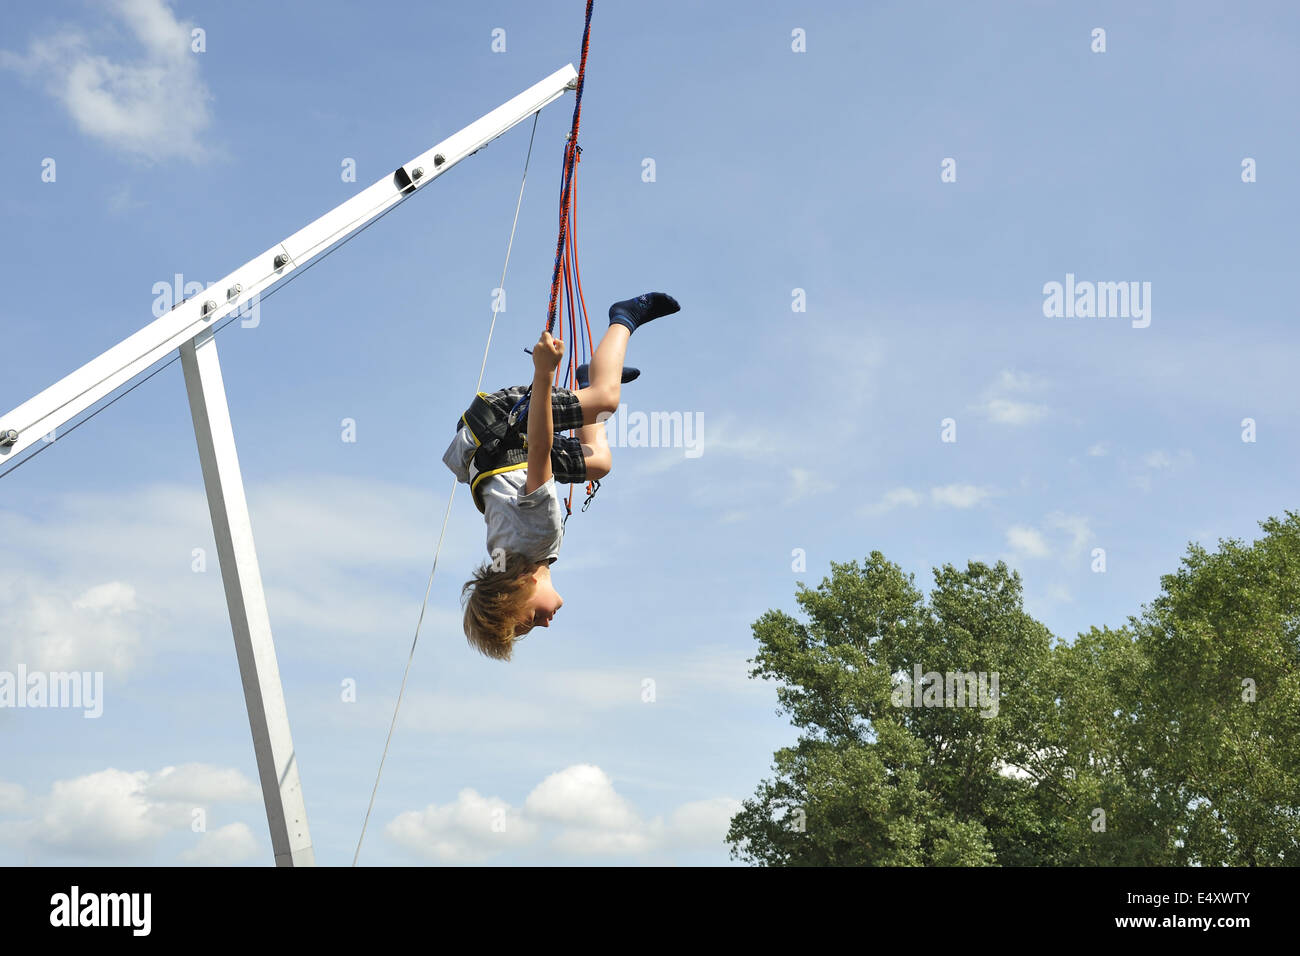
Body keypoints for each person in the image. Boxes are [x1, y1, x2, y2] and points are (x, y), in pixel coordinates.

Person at [443, 292, 681, 660]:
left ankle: (623, 318)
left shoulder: (536, 535)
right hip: (498, 449)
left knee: (605, 400)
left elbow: (539, 448)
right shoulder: (508, 557)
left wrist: (544, 371)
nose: (546, 623)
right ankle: (587, 379)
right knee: (598, 461)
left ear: (521, 585)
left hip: (511, 424)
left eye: (531, 619)